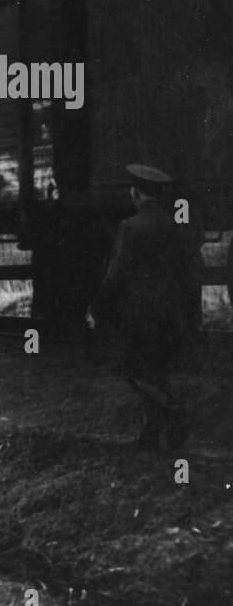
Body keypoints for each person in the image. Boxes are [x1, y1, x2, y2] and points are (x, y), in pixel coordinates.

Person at [90, 163, 200, 450]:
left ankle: (175, 411)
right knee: (157, 371)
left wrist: (98, 306)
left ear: (135, 193)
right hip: (169, 313)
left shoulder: (129, 227)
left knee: (134, 371)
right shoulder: (175, 227)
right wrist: (190, 314)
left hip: (140, 315)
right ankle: (151, 435)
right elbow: (188, 274)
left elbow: (116, 274)